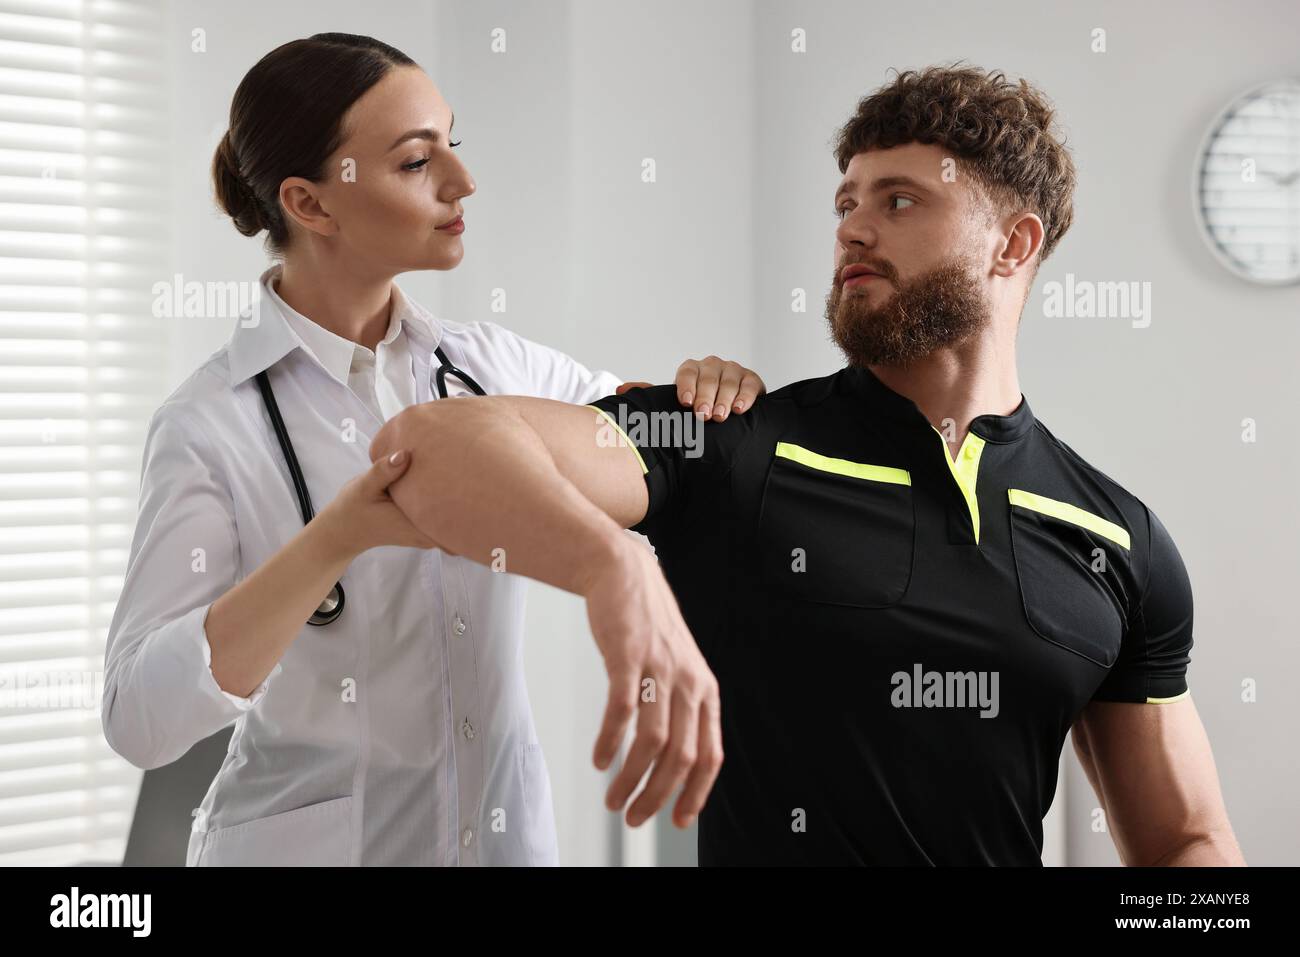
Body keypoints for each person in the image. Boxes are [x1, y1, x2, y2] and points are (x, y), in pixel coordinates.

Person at [369, 65, 1246, 865]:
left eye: (899, 201)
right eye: (846, 202)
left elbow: (1186, 843)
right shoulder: (729, 436)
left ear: (1012, 246)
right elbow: (431, 446)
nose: (854, 229)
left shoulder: (1116, 536)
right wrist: (611, 572)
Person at [102, 33, 760, 867]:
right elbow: (137, 718)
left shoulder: (496, 367)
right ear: (310, 204)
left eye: (454, 143)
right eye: (417, 162)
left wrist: (710, 390)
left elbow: (656, 452)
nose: (463, 181)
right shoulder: (208, 423)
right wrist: (334, 538)